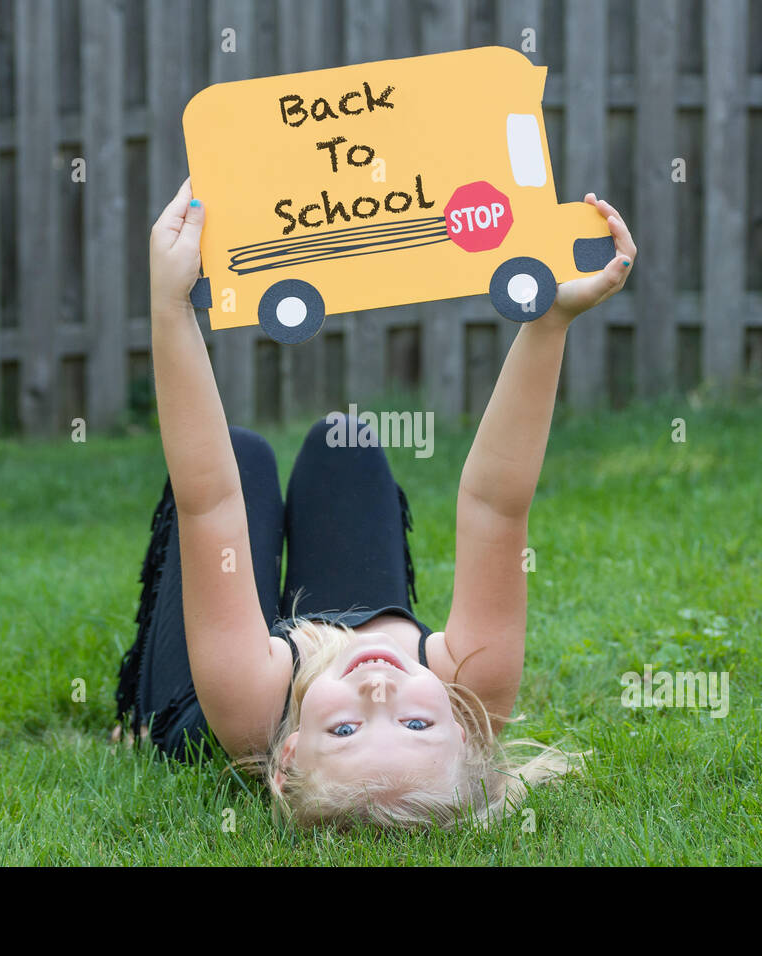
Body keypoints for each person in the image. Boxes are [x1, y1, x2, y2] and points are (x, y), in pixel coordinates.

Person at [112, 177, 637, 829]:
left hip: (225, 692)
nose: (379, 690)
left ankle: (143, 719)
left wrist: (169, 306)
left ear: (290, 758)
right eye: (416, 721)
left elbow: (209, 502)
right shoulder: (476, 686)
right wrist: (550, 319)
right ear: (466, 733)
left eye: (346, 731)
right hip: (318, 655)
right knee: (344, 441)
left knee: (239, 456)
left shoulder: (251, 710)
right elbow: (495, 506)